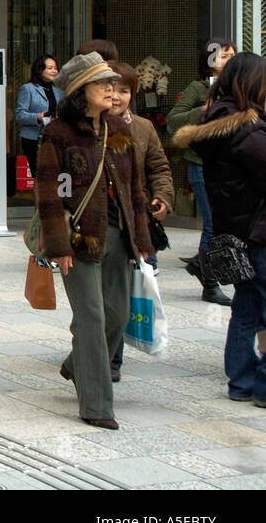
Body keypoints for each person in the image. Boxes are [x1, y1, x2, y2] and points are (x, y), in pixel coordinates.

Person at [37, 52, 152, 430]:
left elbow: (134, 187)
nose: (112, 89)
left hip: (119, 234)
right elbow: (48, 193)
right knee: (91, 317)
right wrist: (58, 246)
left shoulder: (119, 126)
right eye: (102, 83)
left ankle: (75, 364)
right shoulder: (58, 132)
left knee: (117, 316)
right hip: (78, 237)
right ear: (79, 91)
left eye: (113, 83)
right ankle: (98, 405)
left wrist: (143, 237)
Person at [173, 53, 266, 405]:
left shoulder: (217, 126)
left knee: (246, 308)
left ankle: (241, 383)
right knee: (253, 306)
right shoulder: (248, 130)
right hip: (258, 231)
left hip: (236, 231)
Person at [109, 61, 174, 379]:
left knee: (130, 291)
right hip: (105, 222)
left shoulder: (144, 128)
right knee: (109, 295)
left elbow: (159, 167)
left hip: (138, 221)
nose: (117, 97)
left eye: (124, 90)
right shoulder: (88, 126)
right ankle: (108, 359)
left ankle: (110, 356)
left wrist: (162, 197)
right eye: (112, 89)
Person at [167, 36, 236, 306]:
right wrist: (203, 109)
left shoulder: (238, 87)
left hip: (230, 165)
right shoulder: (198, 88)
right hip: (201, 163)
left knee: (220, 223)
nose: (229, 60)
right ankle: (210, 283)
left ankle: (201, 262)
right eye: (223, 55)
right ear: (209, 59)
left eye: (232, 55)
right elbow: (174, 120)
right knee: (212, 223)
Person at [15, 55, 64, 176]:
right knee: (39, 173)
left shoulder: (59, 91)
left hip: (54, 137)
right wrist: (38, 117)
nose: (54, 71)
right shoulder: (28, 89)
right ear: (39, 70)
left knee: (56, 172)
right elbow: (19, 114)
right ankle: (40, 194)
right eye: (50, 68)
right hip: (33, 138)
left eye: (56, 68)